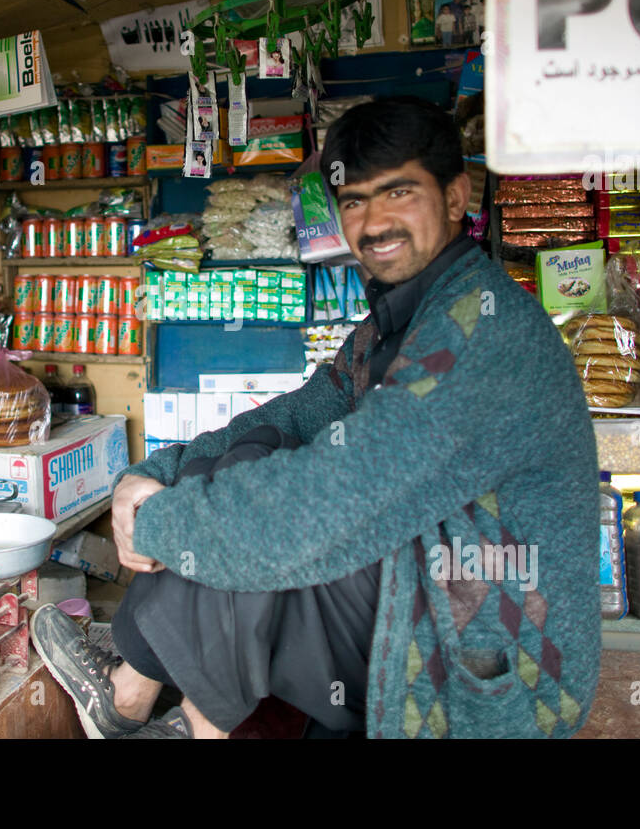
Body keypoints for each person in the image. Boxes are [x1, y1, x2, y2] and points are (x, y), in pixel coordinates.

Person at [31, 96, 601, 739]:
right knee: (256, 456)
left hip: (491, 674)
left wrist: (157, 522)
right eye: (355, 200)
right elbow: (303, 412)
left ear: (456, 196)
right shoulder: (404, 318)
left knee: (277, 528)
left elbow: (320, 506)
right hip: (428, 599)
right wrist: (156, 471)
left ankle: (161, 709)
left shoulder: (480, 332)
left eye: (399, 192)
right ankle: (140, 701)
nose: (374, 221)